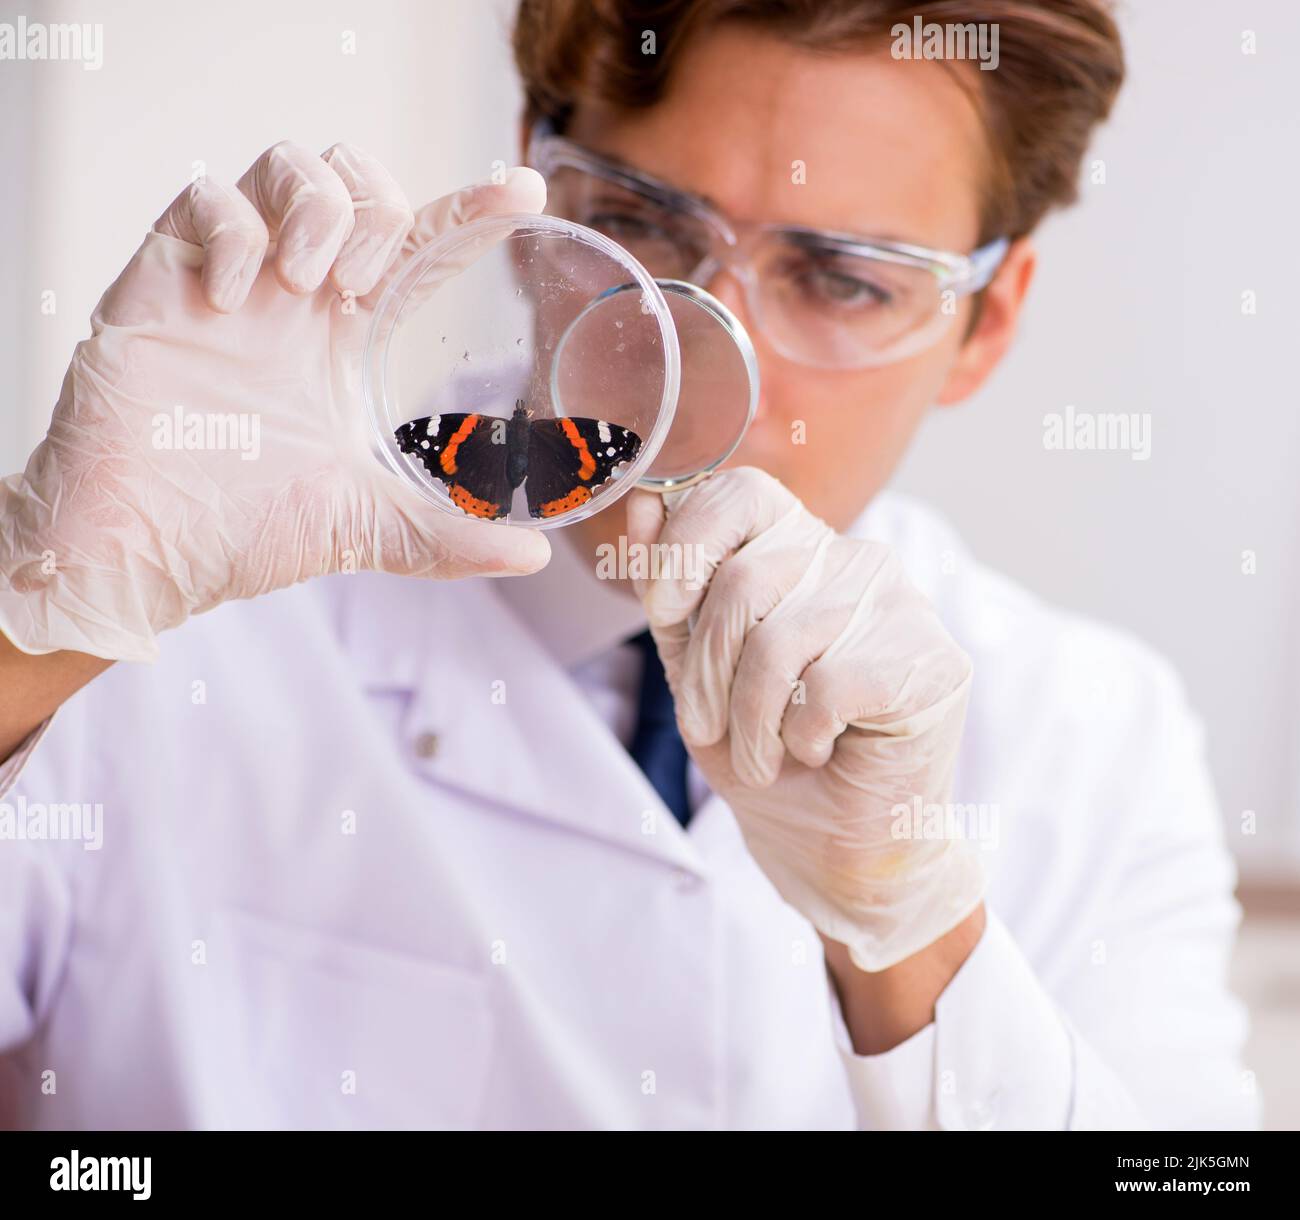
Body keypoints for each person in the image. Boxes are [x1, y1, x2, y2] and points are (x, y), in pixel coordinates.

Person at [0, 0, 1255, 1129]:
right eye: (639, 225)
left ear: (986, 321)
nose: (702, 358)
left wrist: (910, 928)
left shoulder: (1096, 734)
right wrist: (33, 620)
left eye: (837, 278)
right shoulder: (167, 607)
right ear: (535, 194)